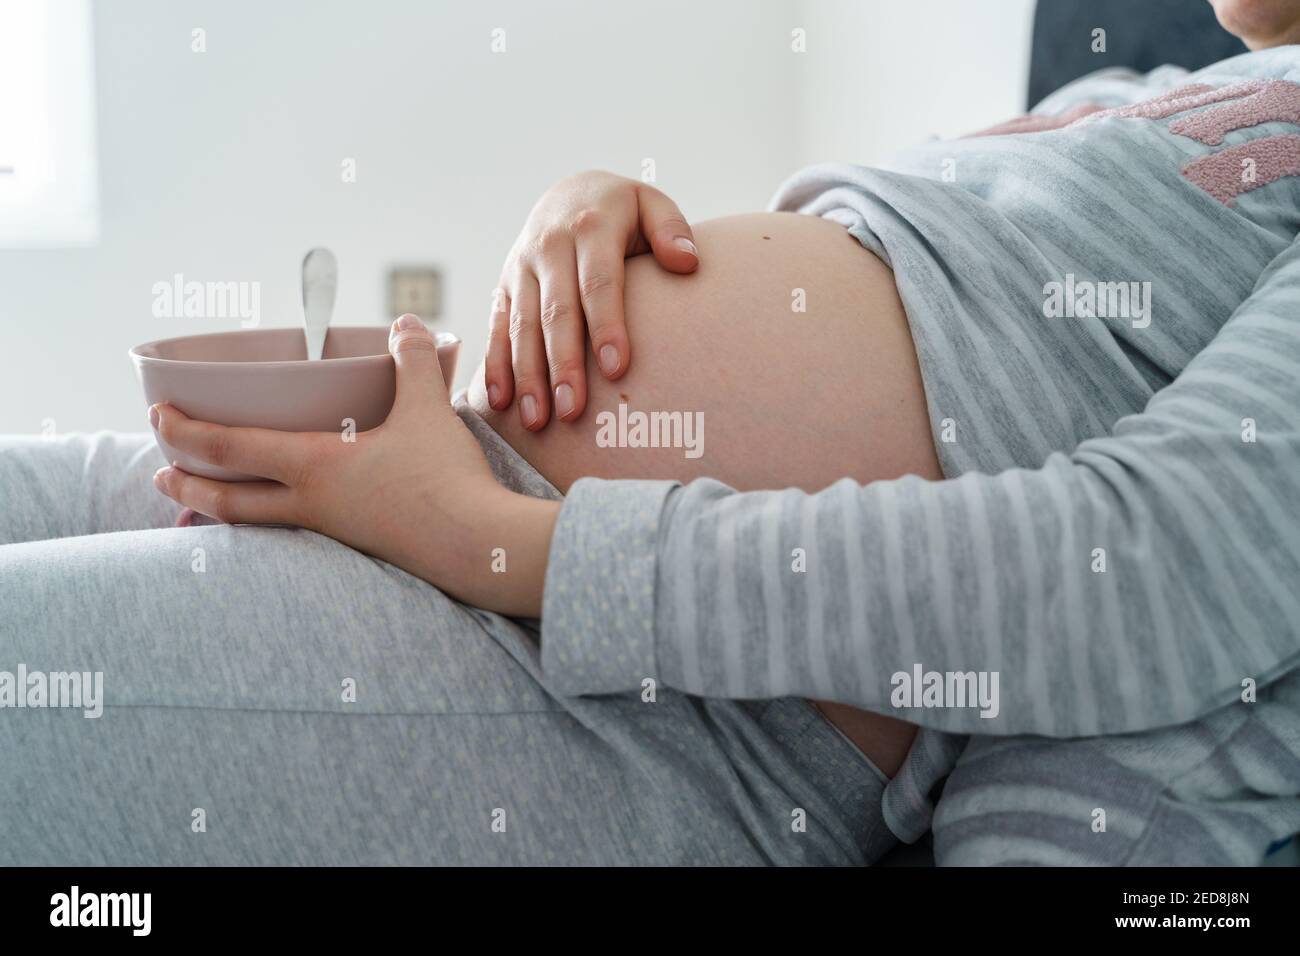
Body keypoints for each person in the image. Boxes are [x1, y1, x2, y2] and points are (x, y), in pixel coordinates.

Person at [3, 0, 1299, 865]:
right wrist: (604, 212)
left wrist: (495, 541)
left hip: (662, 694)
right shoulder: (1174, 80)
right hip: (440, 466)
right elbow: (917, 280)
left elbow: (1155, 566)